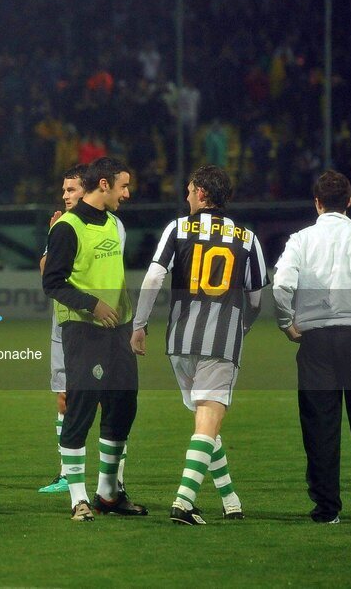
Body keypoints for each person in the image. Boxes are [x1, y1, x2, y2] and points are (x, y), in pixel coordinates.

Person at [130, 165, 267, 525]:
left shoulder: (177, 228)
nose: (187, 195)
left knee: (204, 420)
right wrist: (243, 326)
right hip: (221, 341)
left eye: (190, 190)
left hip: (180, 340)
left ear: (203, 194)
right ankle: (183, 502)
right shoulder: (247, 238)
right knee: (208, 419)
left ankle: (230, 499)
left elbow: (154, 276)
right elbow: (255, 299)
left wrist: (140, 324)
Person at [272, 170, 351, 524]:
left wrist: (286, 322)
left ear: (317, 203)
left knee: (319, 427)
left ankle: (326, 510)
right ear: (349, 202)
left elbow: (281, 284)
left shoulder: (301, 240)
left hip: (315, 342)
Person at [41, 156, 147, 521]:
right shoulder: (67, 227)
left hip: (120, 331)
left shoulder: (115, 224)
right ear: (104, 184)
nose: (126, 194)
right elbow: (52, 283)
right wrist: (92, 305)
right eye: (123, 186)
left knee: (123, 407)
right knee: (81, 409)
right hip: (83, 330)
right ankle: (77, 498)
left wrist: (135, 324)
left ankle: (108, 494)